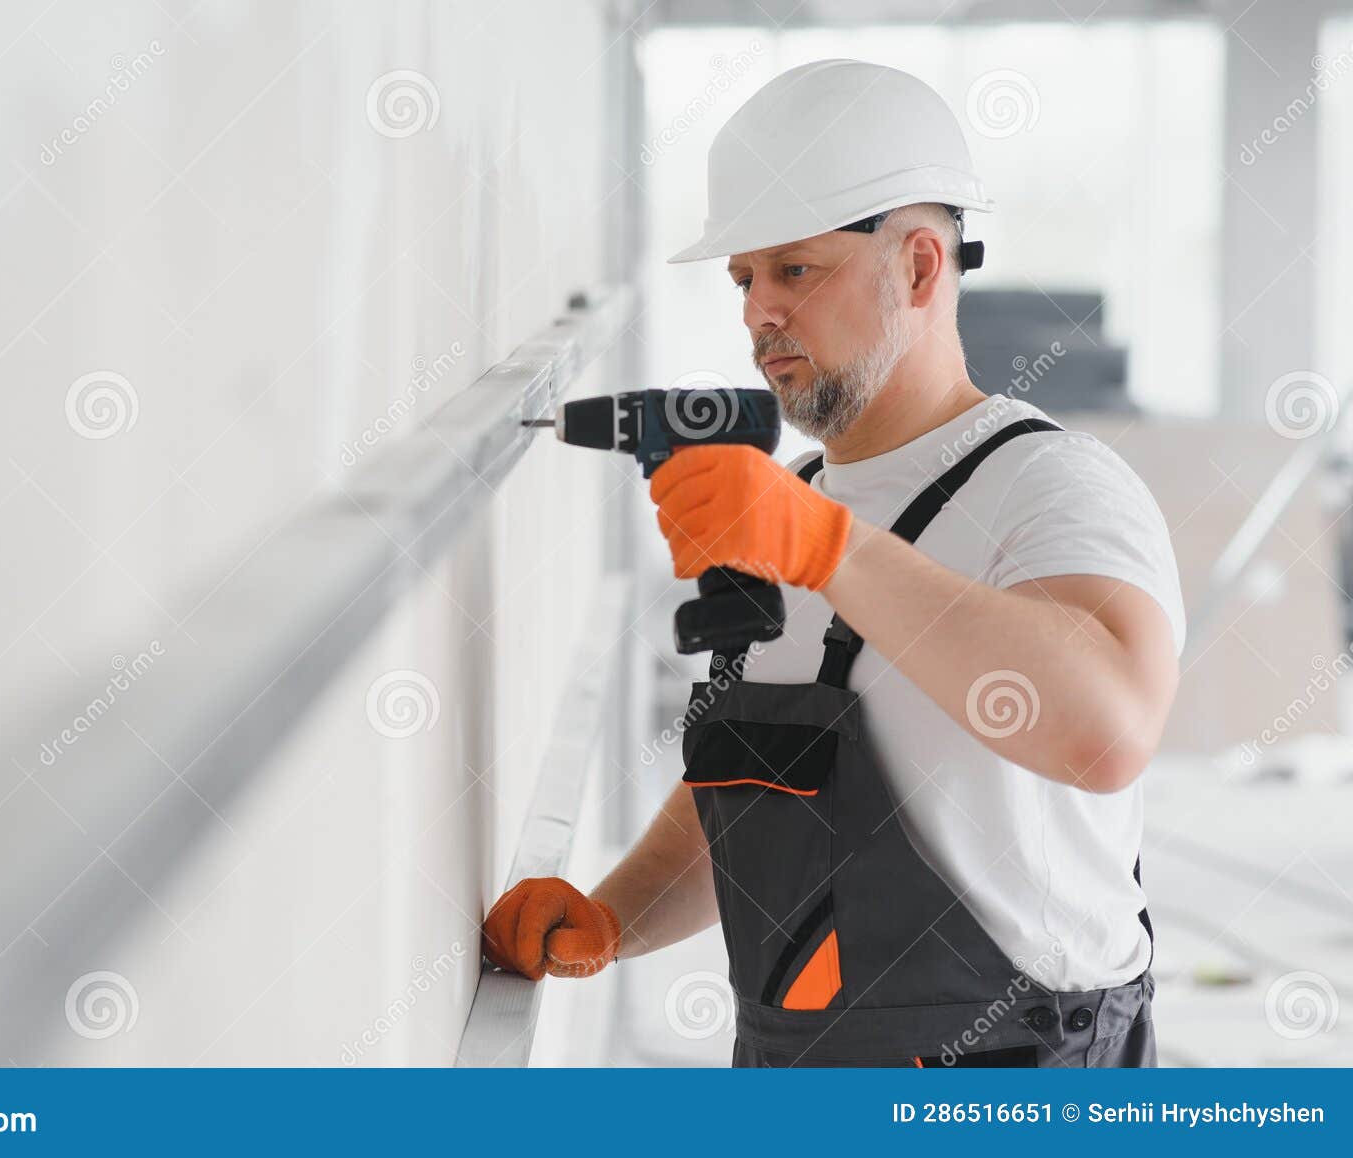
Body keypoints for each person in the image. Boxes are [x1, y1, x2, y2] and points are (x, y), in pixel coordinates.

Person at [482, 59, 1183, 1067]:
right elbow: (768, 781)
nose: (756, 313)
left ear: (918, 268)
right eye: (741, 279)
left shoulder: (1052, 487)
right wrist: (610, 916)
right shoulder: (790, 498)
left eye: (793, 270)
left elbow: (1105, 729)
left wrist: (826, 547)